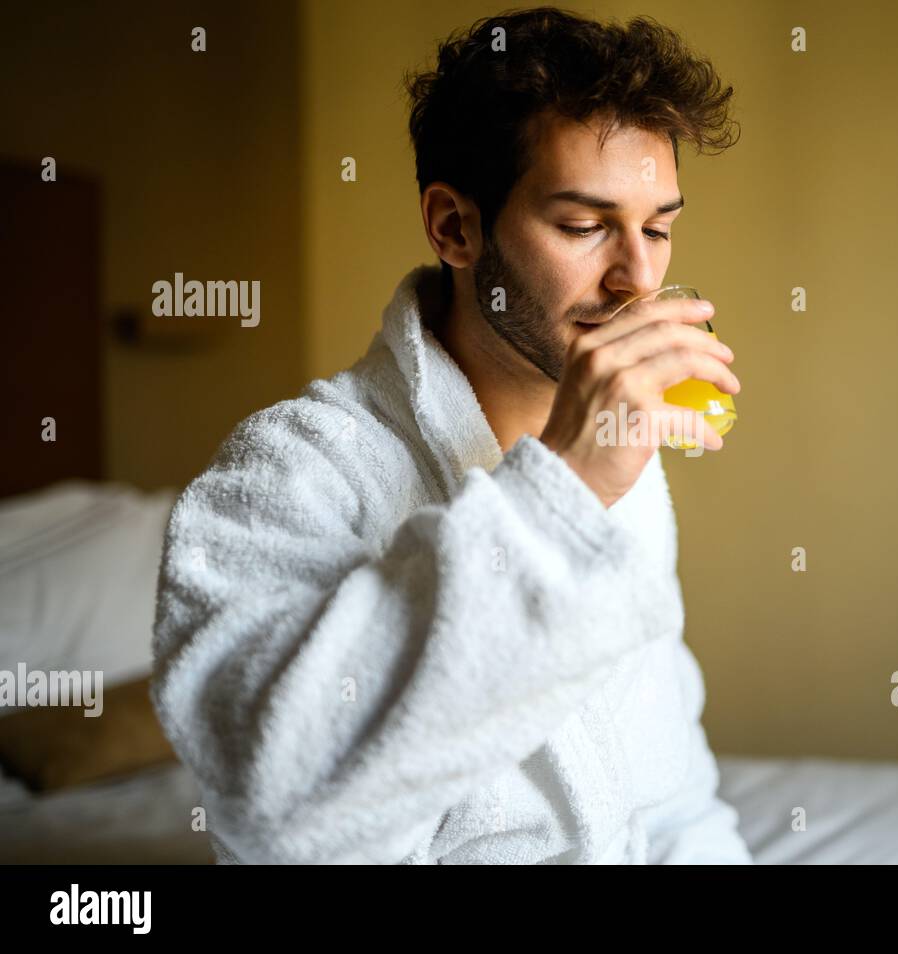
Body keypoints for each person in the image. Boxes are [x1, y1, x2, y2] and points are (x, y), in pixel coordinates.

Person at [150, 5, 748, 864]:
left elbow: (678, 800)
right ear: (454, 227)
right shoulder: (294, 473)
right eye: (584, 226)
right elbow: (271, 811)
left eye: (656, 226)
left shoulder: (625, 470)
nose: (640, 278)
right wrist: (565, 498)